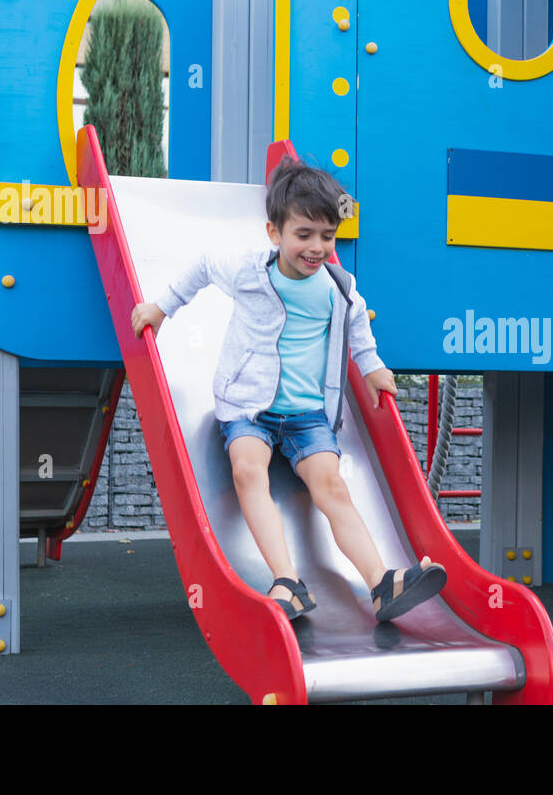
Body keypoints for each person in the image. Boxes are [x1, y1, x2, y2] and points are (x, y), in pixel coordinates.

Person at [129, 157, 445, 622]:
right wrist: (162, 307)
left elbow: (357, 325)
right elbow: (200, 268)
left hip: (307, 415)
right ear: (274, 233)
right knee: (247, 473)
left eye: (327, 236)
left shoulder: (339, 286)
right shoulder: (248, 272)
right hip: (247, 409)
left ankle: (381, 583)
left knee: (332, 486)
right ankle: (287, 580)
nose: (316, 247)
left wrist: (372, 366)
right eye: (304, 234)